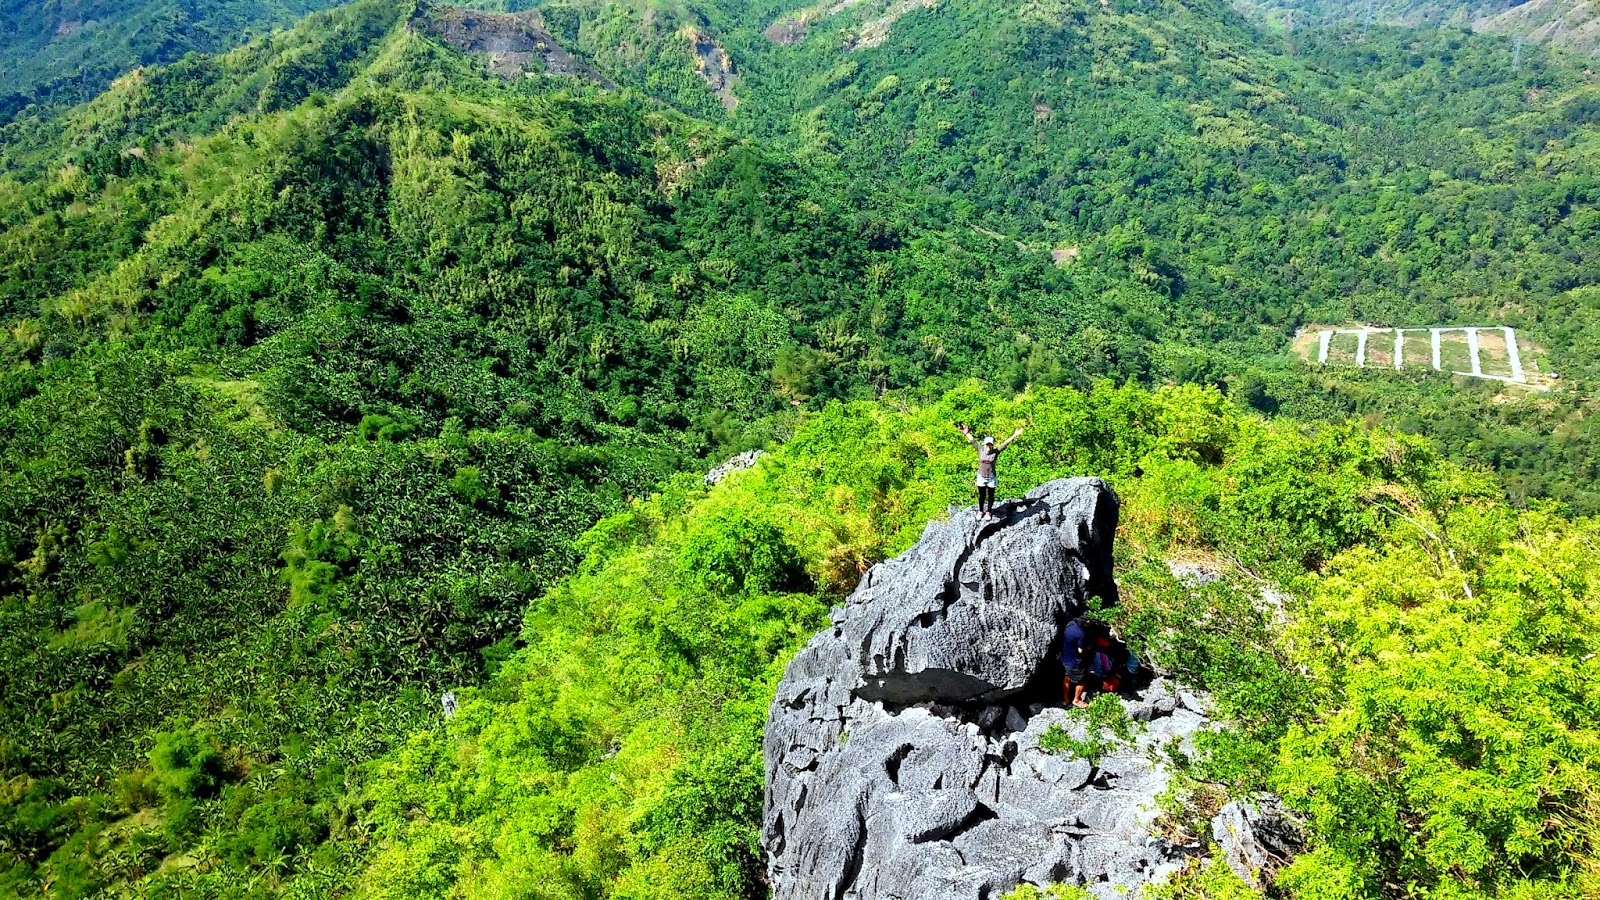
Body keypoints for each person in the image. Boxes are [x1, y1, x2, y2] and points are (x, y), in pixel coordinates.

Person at [957, 422, 1023, 520]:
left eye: (990, 444)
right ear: (984, 444)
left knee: (991, 496)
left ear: (992, 445)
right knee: (982, 496)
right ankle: (980, 511)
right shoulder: (980, 449)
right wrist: (964, 430)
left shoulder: (995, 452)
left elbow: (1005, 443)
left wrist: (1015, 435)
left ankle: (988, 511)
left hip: (991, 477)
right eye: (987, 444)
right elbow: (972, 440)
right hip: (981, 477)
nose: (989, 446)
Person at [1060, 615, 1091, 709]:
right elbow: (1080, 650)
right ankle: (1076, 700)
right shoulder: (1081, 633)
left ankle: (1066, 700)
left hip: (1065, 657)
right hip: (1074, 661)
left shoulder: (1070, 624)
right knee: (1082, 681)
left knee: (1067, 677)